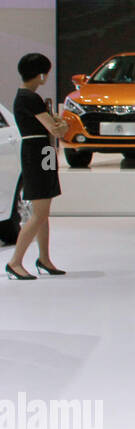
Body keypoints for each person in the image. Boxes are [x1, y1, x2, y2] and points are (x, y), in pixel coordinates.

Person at [6, 53, 67, 279]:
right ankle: (15, 262)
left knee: (43, 211)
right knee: (40, 213)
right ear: (41, 73)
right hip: (38, 153)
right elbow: (56, 129)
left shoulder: (28, 97)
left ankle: (44, 259)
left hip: (43, 152)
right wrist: (63, 124)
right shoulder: (29, 98)